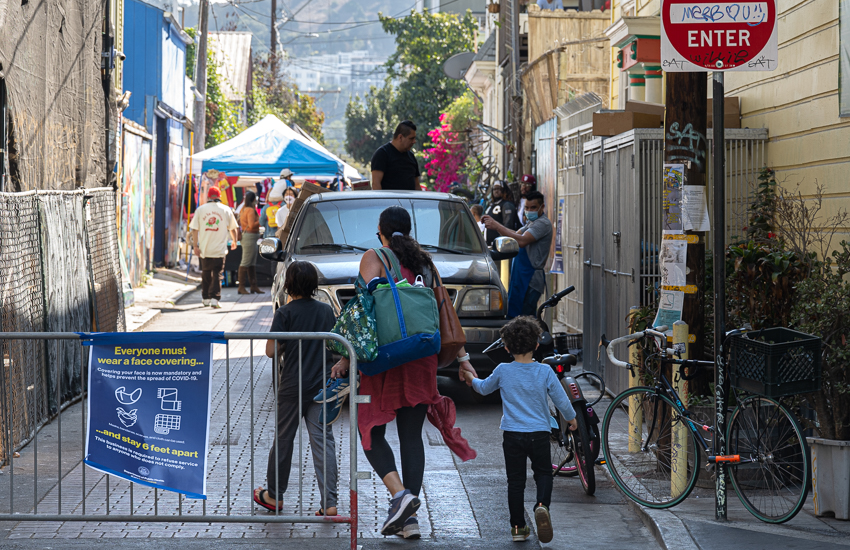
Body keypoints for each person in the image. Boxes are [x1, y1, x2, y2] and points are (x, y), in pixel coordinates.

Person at [329, 206, 477, 539]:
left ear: (380, 231)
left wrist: (349, 358)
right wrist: (464, 357)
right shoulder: (424, 261)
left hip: (386, 358)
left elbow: (370, 310)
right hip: (421, 356)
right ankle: (409, 520)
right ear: (408, 232)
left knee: (369, 430)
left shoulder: (373, 256)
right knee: (411, 436)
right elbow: (443, 310)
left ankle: (400, 495)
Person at [462, 316, 576, 543]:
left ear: (506, 347)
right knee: (543, 473)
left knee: (515, 481)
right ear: (536, 345)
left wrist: (471, 379)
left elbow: (483, 389)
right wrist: (572, 420)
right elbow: (561, 400)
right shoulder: (544, 372)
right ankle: (542, 505)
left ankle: (518, 528)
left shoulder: (503, 370)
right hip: (539, 434)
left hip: (512, 435)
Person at [254, 261, 339, 517]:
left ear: (288, 284)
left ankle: (274, 495)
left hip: (292, 385)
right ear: (314, 285)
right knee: (323, 441)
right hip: (321, 385)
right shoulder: (326, 311)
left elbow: (270, 351)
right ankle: (330, 503)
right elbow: (335, 346)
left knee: (284, 439)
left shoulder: (286, 313)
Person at [483, 190, 552, 317]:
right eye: (527, 207)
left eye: (533, 208)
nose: (529, 210)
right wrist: (495, 224)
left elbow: (521, 241)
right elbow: (515, 235)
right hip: (520, 276)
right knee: (516, 317)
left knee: (525, 320)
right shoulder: (532, 223)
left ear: (542, 207)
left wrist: (497, 226)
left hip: (530, 279)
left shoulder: (543, 224)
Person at [189, 186, 239, 309]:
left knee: (206, 273)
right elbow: (233, 228)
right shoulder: (226, 209)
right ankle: (214, 299)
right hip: (220, 249)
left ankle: (205, 298)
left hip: (205, 248)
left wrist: (195, 245)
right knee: (218, 274)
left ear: (208, 196)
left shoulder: (201, 210)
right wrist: (234, 240)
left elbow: (194, 229)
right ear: (219, 196)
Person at [370, 121, 421, 191]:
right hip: (389, 201)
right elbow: (376, 185)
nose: (414, 141)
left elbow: (417, 186)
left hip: (410, 201)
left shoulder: (411, 157)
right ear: (400, 137)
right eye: (411, 138)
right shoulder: (382, 154)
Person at [238, 191, 264, 295]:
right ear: (254, 200)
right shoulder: (250, 210)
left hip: (250, 237)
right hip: (250, 237)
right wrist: (261, 220)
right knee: (246, 262)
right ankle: (241, 287)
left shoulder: (244, 209)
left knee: (251, 263)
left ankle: (253, 286)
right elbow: (252, 225)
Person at [483, 181, 519, 247]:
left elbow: (508, 225)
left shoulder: (507, 205)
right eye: (494, 189)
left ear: (504, 190)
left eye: (499, 189)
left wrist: (502, 243)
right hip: (491, 245)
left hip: (501, 246)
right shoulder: (492, 205)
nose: (496, 191)